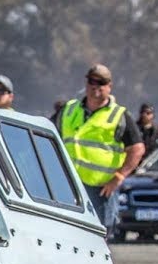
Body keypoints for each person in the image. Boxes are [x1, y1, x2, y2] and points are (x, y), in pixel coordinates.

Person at [58, 64, 145, 233]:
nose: (96, 86)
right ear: (86, 83)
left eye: (101, 82)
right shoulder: (69, 110)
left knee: (99, 238)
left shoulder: (119, 115)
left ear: (109, 87)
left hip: (102, 191)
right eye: (92, 81)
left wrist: (118, 177)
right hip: (69, 187)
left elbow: (137, 149)